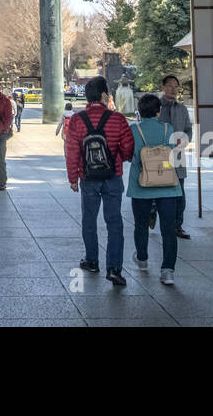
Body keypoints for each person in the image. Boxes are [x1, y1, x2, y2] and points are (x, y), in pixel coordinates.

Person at [63, 76, 134, 287]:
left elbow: (72, 152)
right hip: (113, 177)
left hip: (88, 178)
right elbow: (128, 148)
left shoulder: (77, 120)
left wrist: (73, 179)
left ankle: (92, 260)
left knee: (89, 220)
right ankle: (114, 268)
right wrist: (120, 156)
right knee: (114, 222)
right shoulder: (118, 119)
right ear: (104, 95)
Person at [127, 94, 181, 284]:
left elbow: (127, 153)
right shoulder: (168, 128)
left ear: (139, 112)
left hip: (141, 185)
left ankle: (142, 259)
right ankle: (168, 271)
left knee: (141, 225)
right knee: (168, 229)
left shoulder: (134, 130)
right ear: (158, 111)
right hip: (167, 185)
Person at [156, 74, 193, 238]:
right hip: (160, 157)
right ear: (163, 87)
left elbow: (188, 130)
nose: (173, 89)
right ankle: (152, 213)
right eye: (170, 85)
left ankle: (177, 226)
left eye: (176, 86)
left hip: (178, 157)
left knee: (179, 192)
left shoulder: (182, 108)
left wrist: (184, 140)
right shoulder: (156, 107)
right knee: (158, 189)